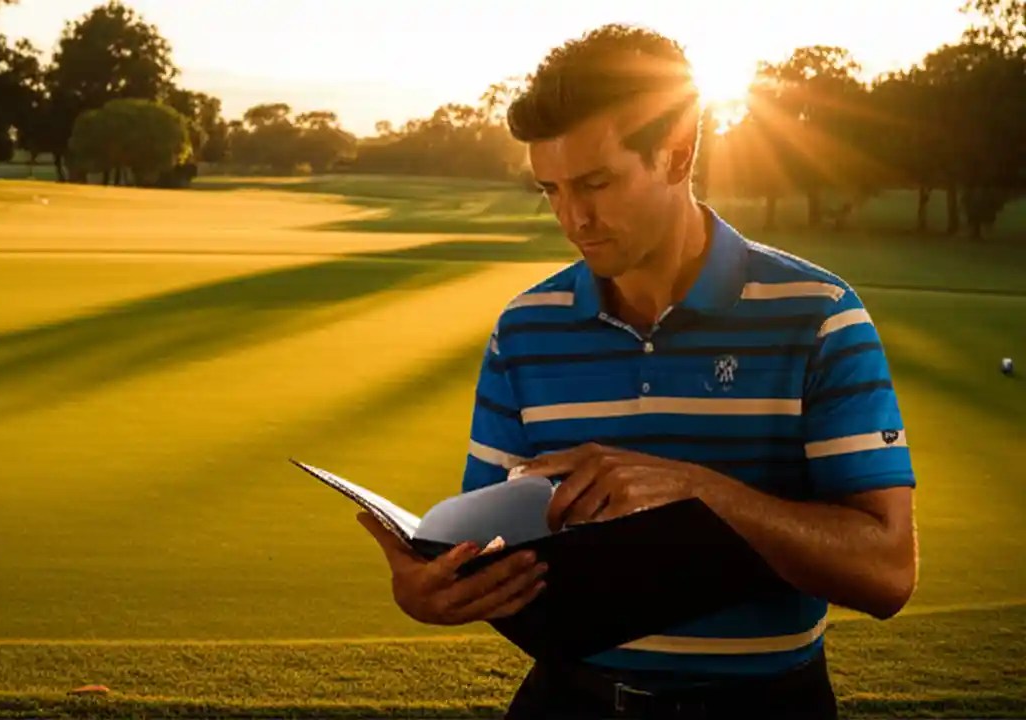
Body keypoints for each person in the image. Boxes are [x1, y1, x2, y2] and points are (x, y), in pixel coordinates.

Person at [357, 23, 918, 720]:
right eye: (551, 190)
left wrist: (700, 495)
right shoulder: (524, 329)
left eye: (596, 183)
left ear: (677, 153)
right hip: (568, 703)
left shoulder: (820, 316)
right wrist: (429, 590)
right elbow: (483, 547)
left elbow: (889, 573)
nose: (573, 218)